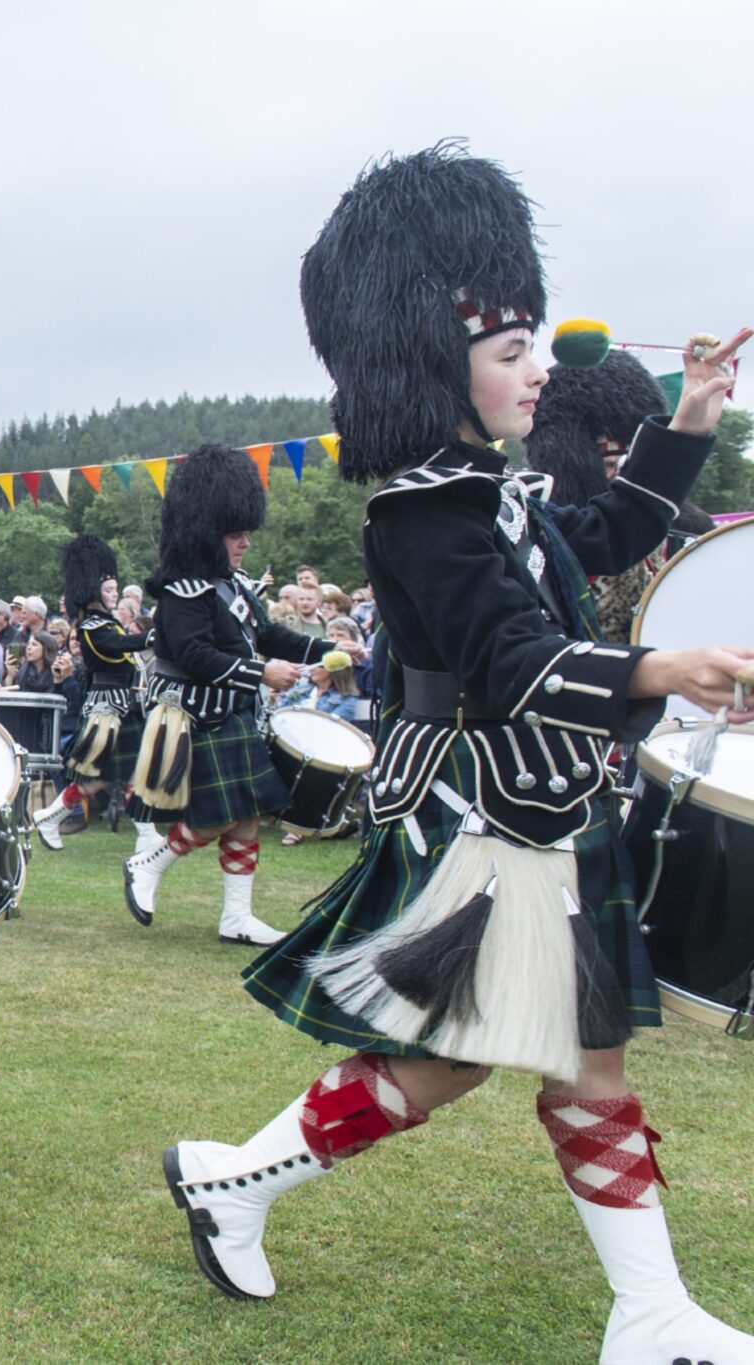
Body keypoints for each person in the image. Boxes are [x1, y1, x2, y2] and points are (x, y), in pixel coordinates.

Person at [165, 142, 754, 1364]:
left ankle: (245, 1183)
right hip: (488, 818)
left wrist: (689, 421)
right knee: (499, 1068)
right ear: (441, 367)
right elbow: (508, 663)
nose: (537, 370)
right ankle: (239, 1184)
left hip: (531, 808)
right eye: (510, 352)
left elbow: (597, 536)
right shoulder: (420, 508)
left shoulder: (488, 488)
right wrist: (658, 670)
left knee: (524, 1065)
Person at [119, 444, 331, 946]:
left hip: (231, 713)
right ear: (207, 532)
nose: (245, 544)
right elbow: (194, 655)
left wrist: (329, 648)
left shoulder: (233, 585)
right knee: (222, 814)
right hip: (195, 715)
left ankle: (237, 916)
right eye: (236, 534)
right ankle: (150, 862)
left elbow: (269, 635)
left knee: (249, 814)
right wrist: (260, 673)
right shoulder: (182, 590)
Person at [525, 348, 717, 644]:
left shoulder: (688, 527)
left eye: (627, 465)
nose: (620, 475)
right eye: (610, 465)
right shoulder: (541, 533)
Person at [34, 536, 155, 852]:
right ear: (92, 591)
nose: (115, 594)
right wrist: (159, 634)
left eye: (116, 589)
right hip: (109, 708)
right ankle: (147, 834)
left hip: (119, 705)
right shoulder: (92, 625)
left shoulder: (103, 621)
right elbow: (122, 646)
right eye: (109, 589)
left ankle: (50, 816)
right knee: (129, 770)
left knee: (106, 776)